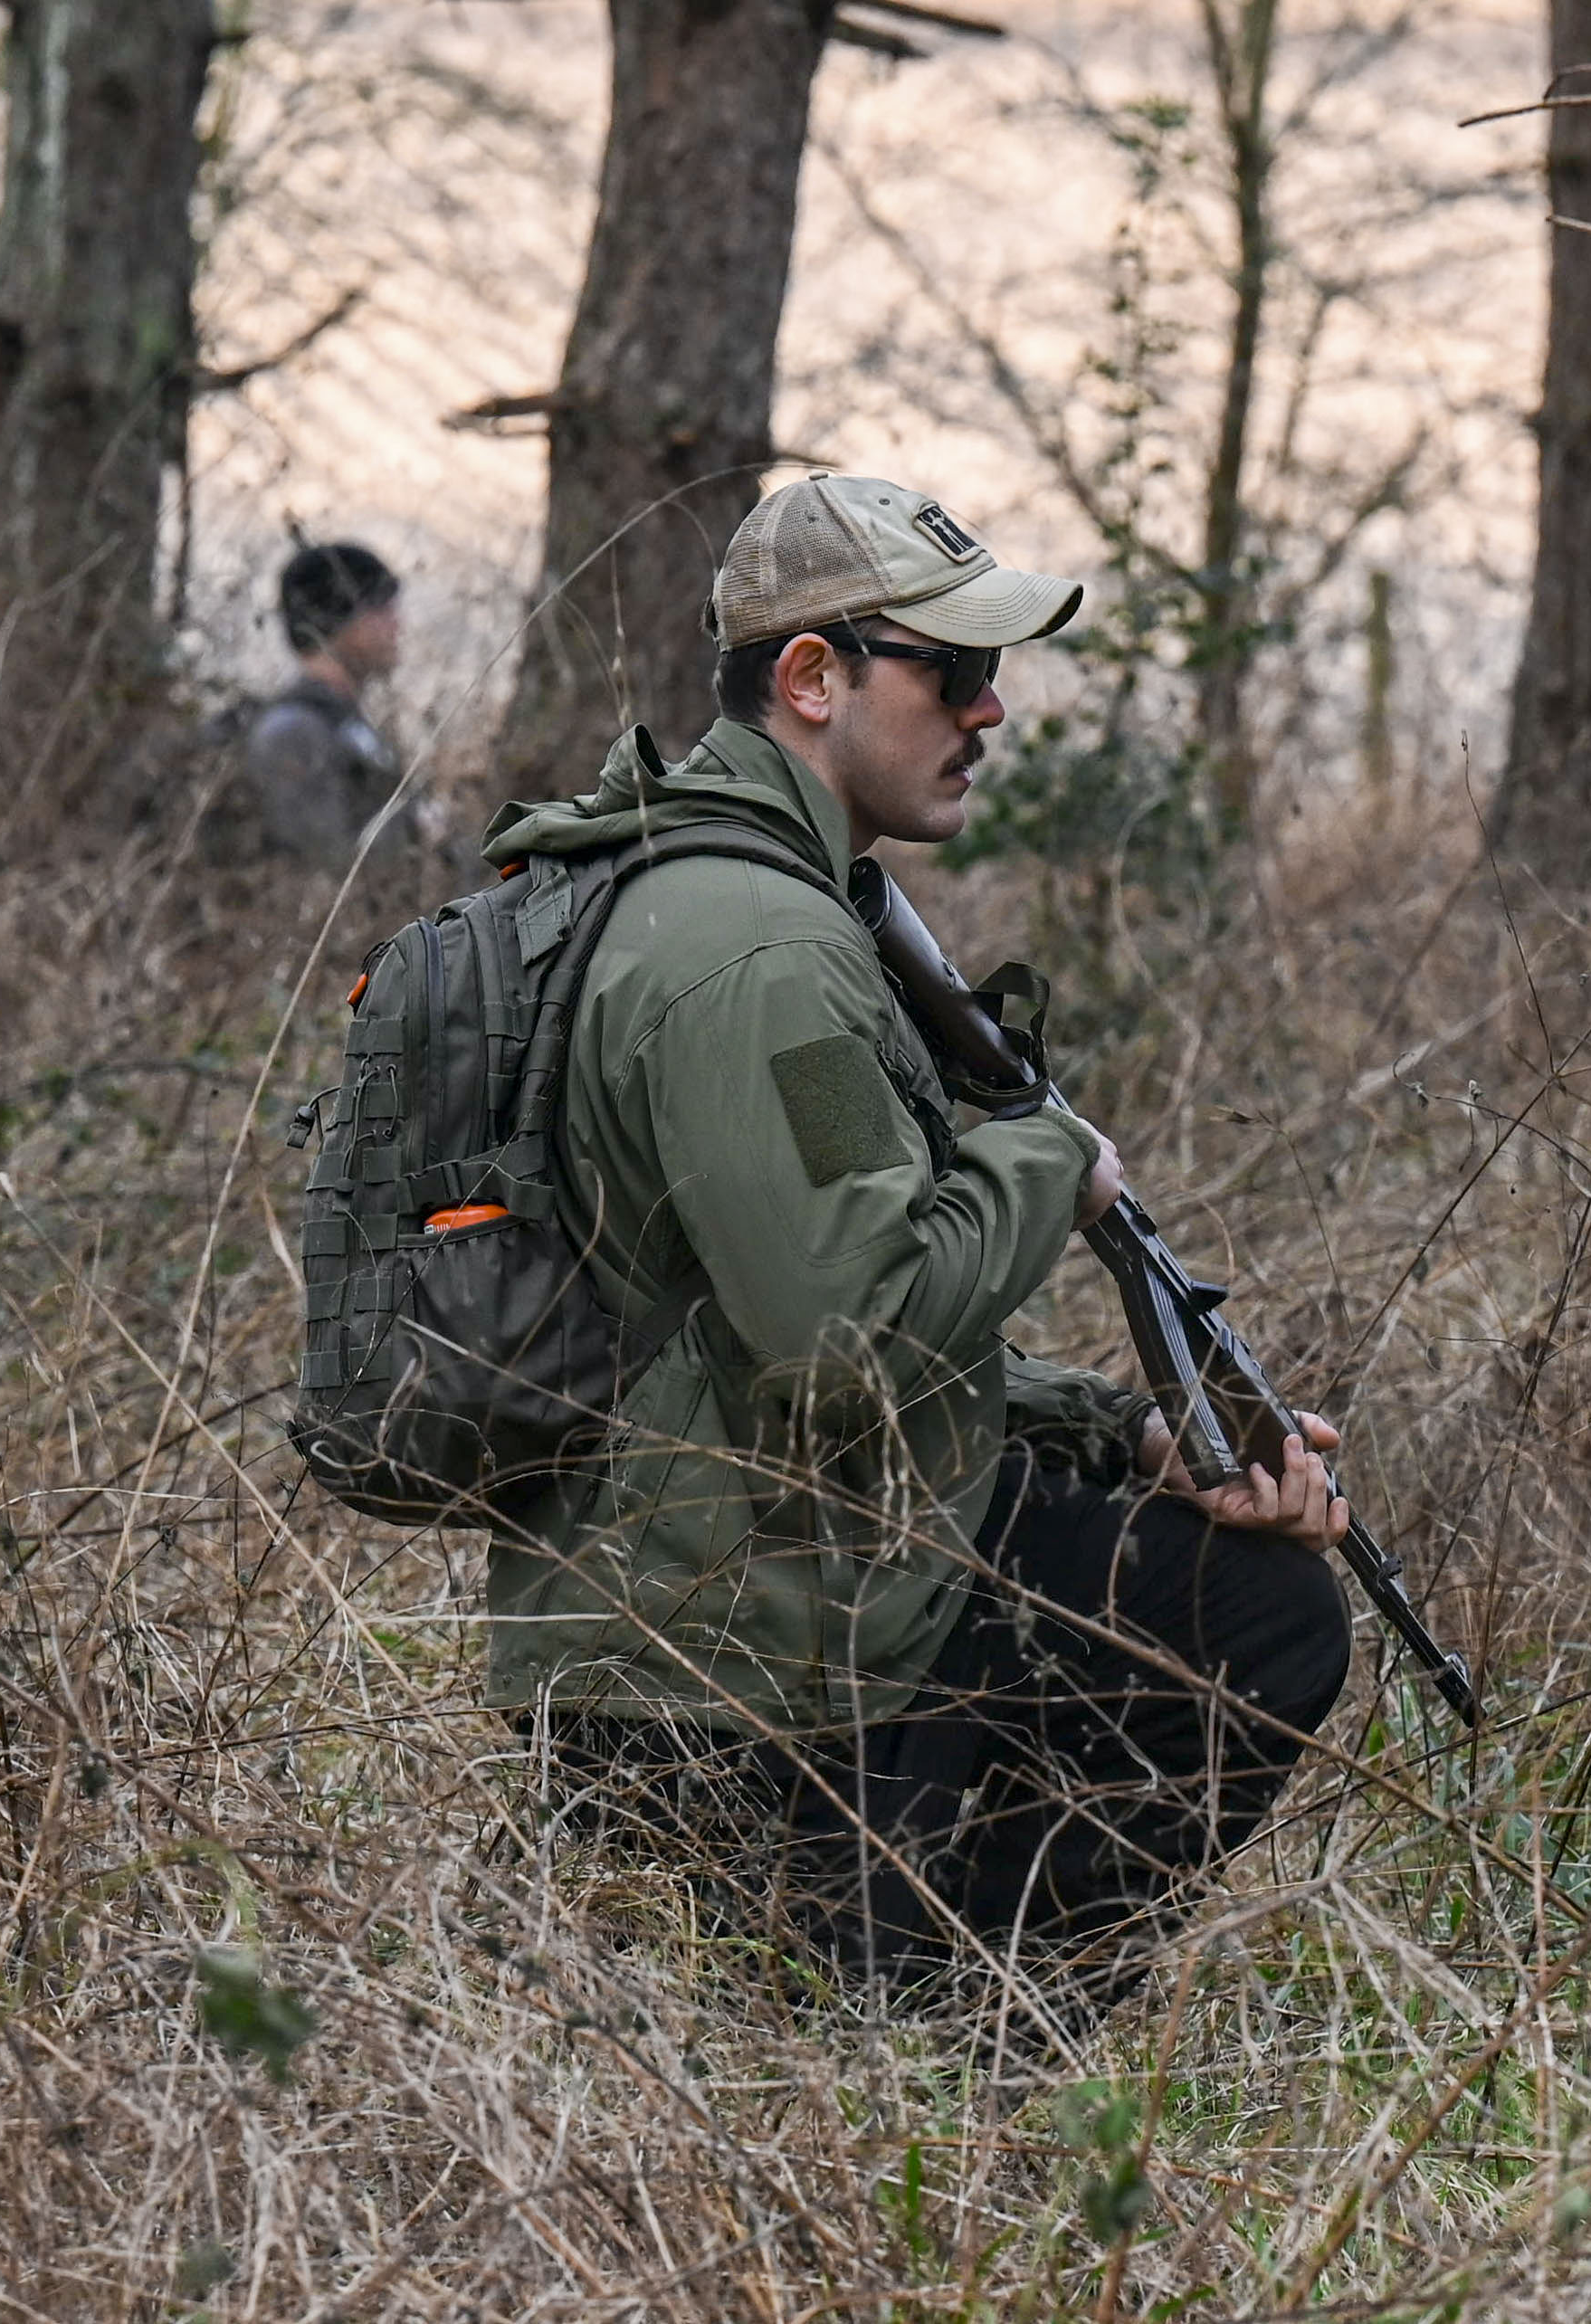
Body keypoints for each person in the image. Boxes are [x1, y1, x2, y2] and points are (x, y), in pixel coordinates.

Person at [468, 474, 1359, 2018]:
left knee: (1248, 1601)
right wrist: (1041, 1159)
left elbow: (771, 1317)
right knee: (872, 2049)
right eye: (949, 671)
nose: (990, 708)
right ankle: (977, 2040)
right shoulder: (758, 958)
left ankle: (975, 2033)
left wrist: (1122, 1430)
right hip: (743, 1662)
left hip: (776, 1583)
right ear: (812, 679)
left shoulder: (763, 910)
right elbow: (837, 1340)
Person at [238, 540, 412, 862]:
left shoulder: (345, 723)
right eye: (380, 609)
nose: (397, 625)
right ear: (339, 618)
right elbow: (321, 867)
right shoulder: (295, 732)